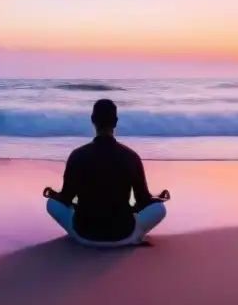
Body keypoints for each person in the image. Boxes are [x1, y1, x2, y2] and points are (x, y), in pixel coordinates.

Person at [44, 98, 168, 247]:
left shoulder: (77, 155)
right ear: (115, 122)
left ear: (92, 120)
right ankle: (135, 237)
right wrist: (155, 199)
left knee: (51, 204)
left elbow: (66, 198)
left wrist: (54, 195)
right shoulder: (131, 156)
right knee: (159, 209)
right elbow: (142, 200)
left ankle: (76, 234)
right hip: (123, 233)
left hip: (84, 234)